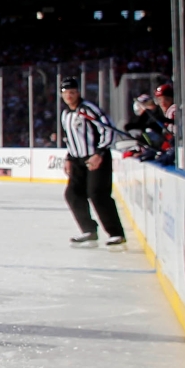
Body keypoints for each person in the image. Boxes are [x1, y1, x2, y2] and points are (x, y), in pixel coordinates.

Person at [59, 77, 124, 247]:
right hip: (78, 161)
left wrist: (99, 153)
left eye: (72, 92)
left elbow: (108, 130)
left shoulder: (88, 109)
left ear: (78, 92)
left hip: (97, 158)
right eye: (66, 93)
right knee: (72, 194)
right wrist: (69, 158)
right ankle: (88, 230)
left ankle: (116, 233)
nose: (69, 96)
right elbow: (71, 139)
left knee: (98, 194)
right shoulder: (65, 114)